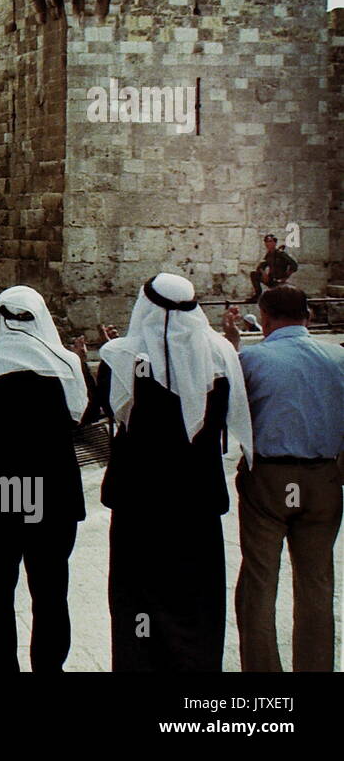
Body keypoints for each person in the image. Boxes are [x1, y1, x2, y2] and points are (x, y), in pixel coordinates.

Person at [97, 273, 251, 671]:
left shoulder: (118, 356)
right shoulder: (220, 354)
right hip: (195, 503)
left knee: (138, 604)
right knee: (195, 602)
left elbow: (109, 412)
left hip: (138, 504)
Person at [0, 285, 92, 673]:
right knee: (50, 590)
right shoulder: (66, 364)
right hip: (54, 488)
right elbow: (78, 414)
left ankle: (0, 668)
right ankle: (49, 667)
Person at [221, 286, 344, 671]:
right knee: (317, 582)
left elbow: (231, 410)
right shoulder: (338, 356)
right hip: (323, 477)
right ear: (308, 316)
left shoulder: (252, 359)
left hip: (271, 481)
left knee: (260, 579)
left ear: (266, 318)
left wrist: (233, 345)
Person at [249, 234, 298, 300]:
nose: (267, 244)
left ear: (274, 243)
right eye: (266, 242)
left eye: (270, 241)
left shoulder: (281, 253)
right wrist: (263, 273)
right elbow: (261, 266)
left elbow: (294, 265)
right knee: (253, 274)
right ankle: (258, 294)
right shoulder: (268, 255)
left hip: (279, 281)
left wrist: (286, 277)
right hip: (271, 280)